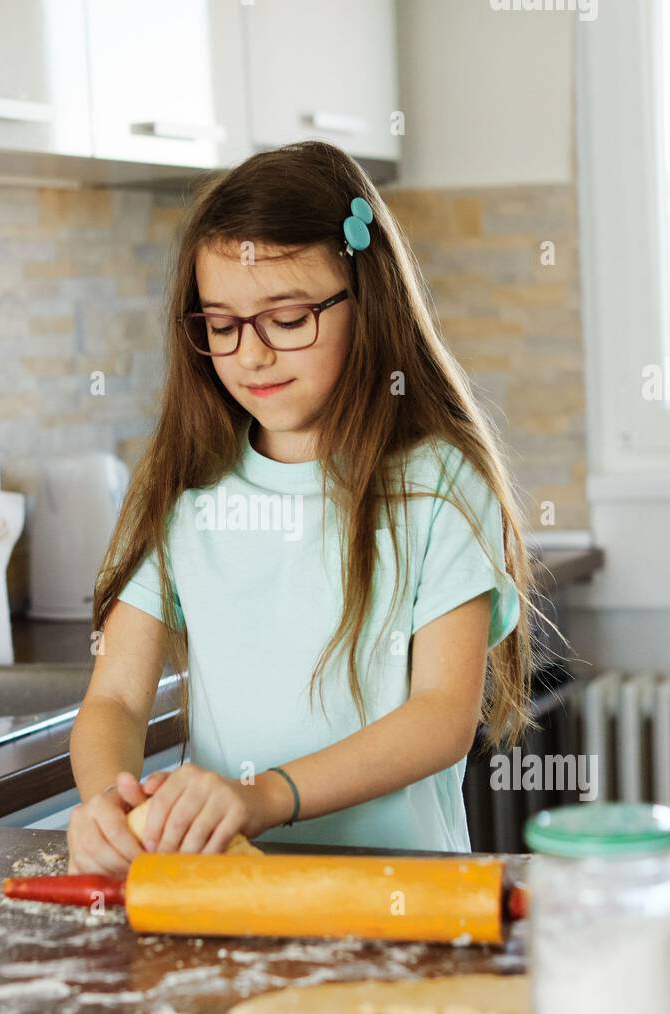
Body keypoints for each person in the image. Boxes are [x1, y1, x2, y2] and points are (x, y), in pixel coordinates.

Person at [67, 140, 542, 877]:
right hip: (235, 890)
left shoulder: (436, 483)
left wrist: (264, 795)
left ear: (367, 299)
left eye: (287, 319)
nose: (251, 355)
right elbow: (117, 701)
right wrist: (108, 801)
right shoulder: (179, 485)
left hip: (401, 895)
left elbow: (440, 716)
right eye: (221, 325)